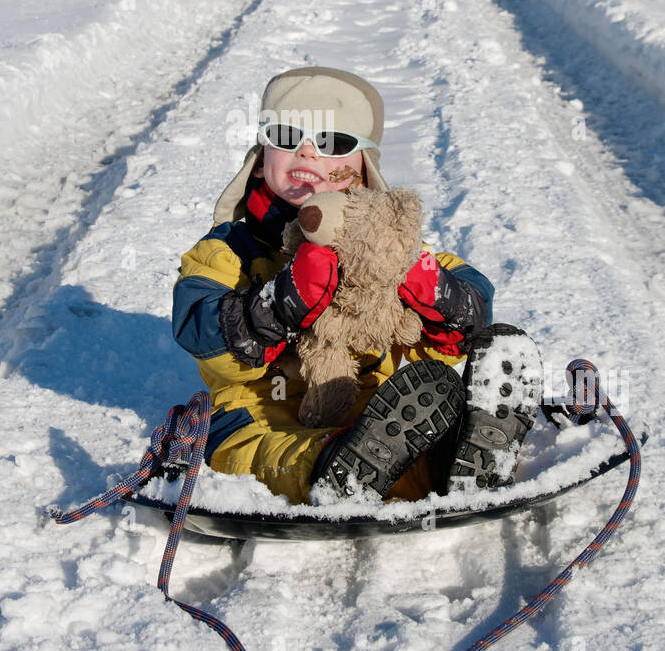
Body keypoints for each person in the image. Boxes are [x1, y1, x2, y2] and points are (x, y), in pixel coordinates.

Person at [172, 66, 542, 507]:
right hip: (261, 409)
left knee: (399, 437)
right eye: (287, 136)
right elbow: (201, 331)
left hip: (378, 414)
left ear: (364, 171)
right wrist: (280, 303)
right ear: (258, 162)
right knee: (241, 448)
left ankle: (457, 457)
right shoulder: (226, 252)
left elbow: (471, 306)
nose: (307, 153)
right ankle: (335, 469)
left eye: (333, 143)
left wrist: (431, 289)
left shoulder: (385, 247)